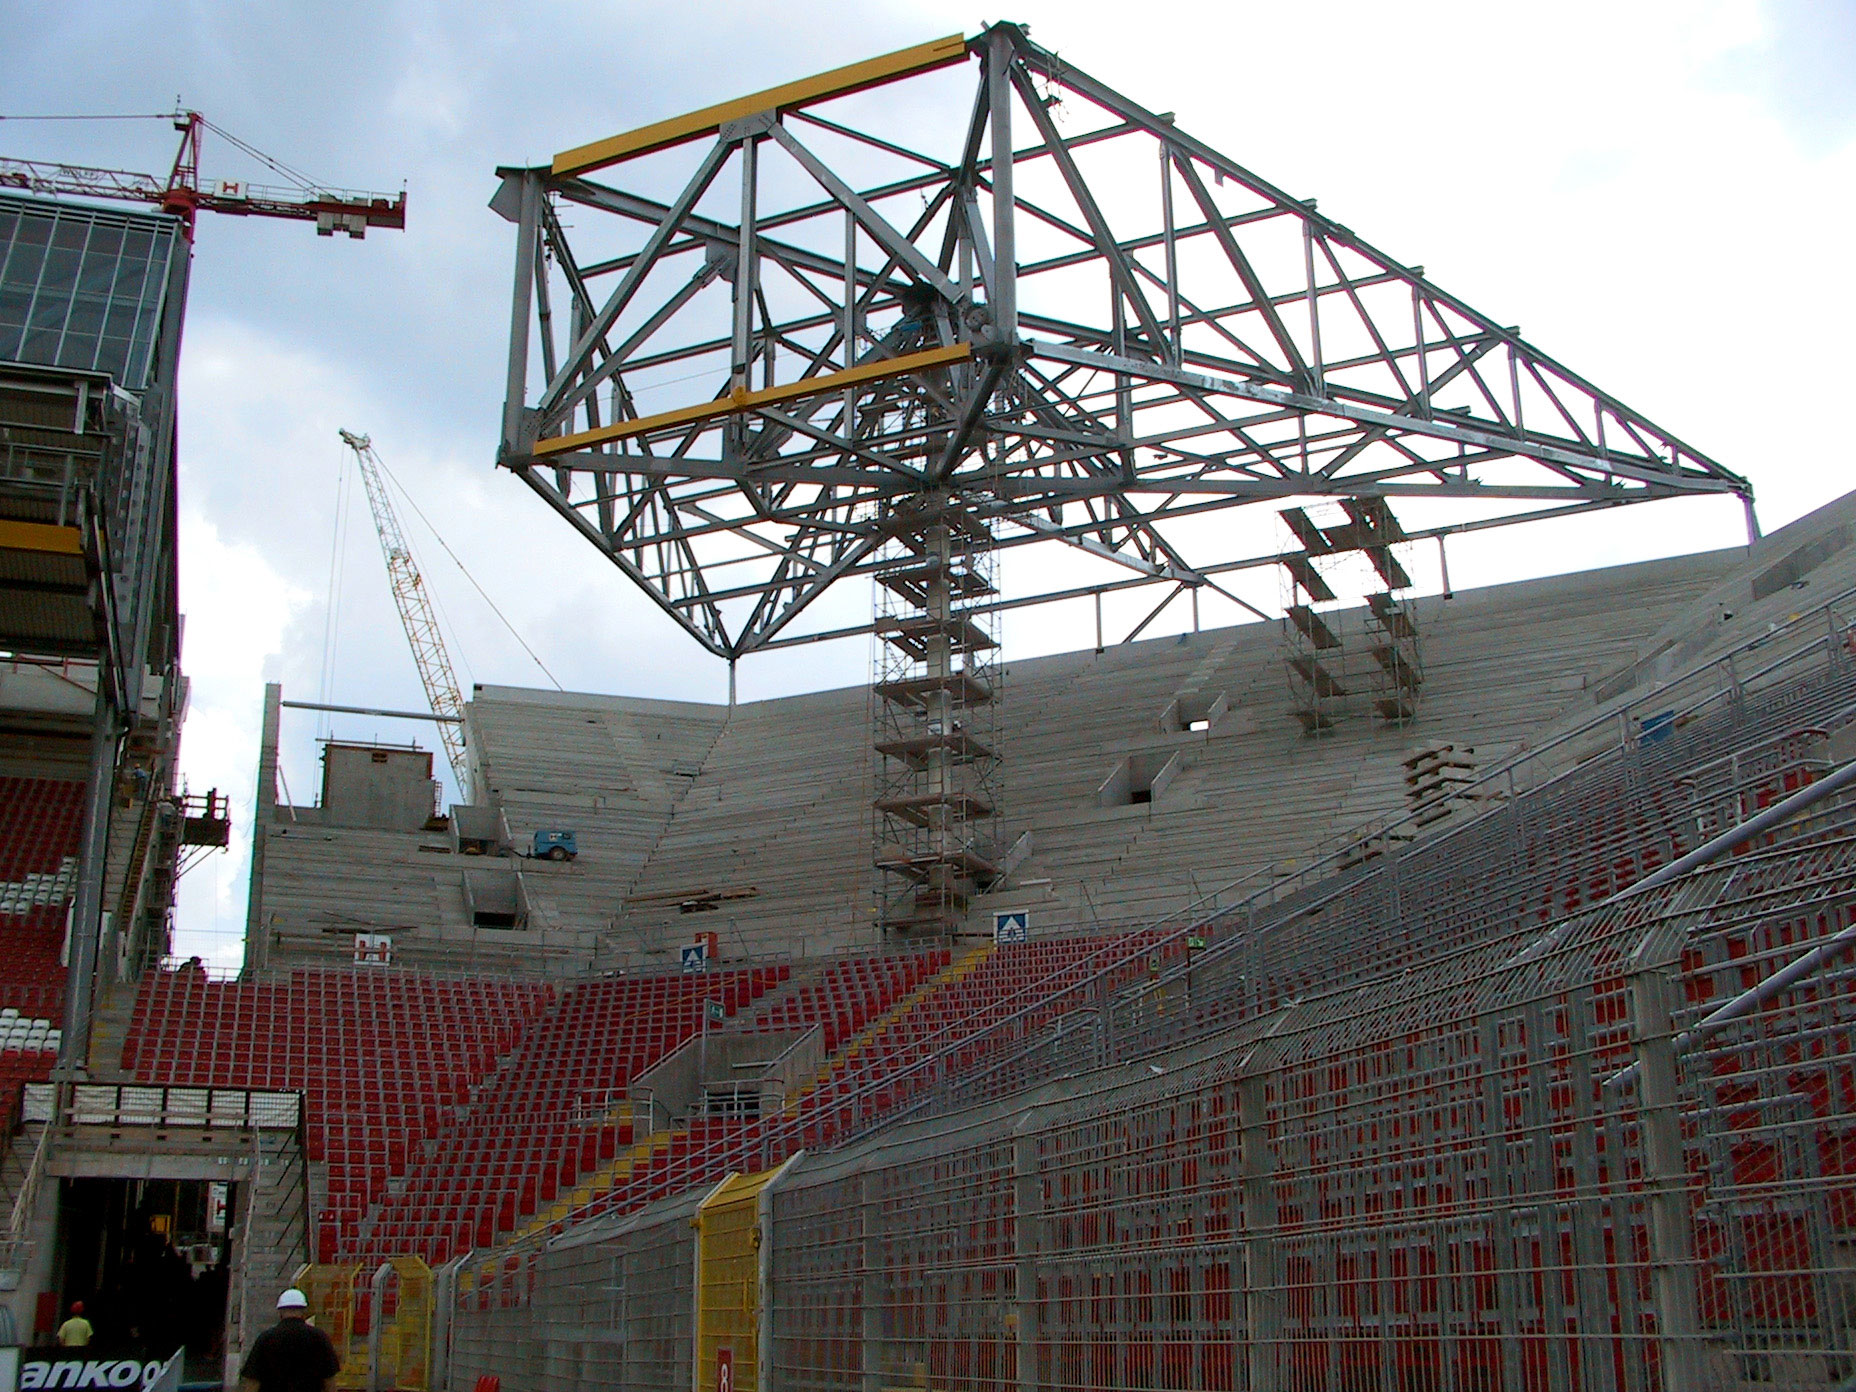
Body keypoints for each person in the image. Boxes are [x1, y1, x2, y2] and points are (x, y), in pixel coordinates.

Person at [238, 1289, 340, 1392]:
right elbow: (329, 1381)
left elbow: (253, 1382)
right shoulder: (320, 1338)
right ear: (303, 1310)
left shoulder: (266, 1338)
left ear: (280, 1311)